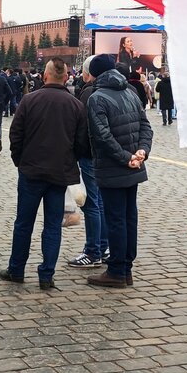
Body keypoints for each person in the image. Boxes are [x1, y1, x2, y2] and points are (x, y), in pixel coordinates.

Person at [0, 57, 89, 290]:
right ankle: (46, 274)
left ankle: (16, 269)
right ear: (66, 77)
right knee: (52, 225)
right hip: (59, 174)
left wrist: (19, 161)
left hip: (31, 171)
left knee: (23, 223)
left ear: (46, 76)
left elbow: (15, 136)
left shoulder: (29, 101)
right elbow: (82, 144)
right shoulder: (76, 105)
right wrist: (70, 161)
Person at [85, 53, 153, 289]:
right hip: (132, 166)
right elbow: (146, 126)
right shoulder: (131, 92)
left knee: (115, 220)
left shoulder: (97, 98)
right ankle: (126, 269)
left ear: (94, 74)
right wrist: (142, 151)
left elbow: (102, 136)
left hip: (113, 168)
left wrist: (126, 159)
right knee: (128, 217)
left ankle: (116, 270)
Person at [68, 56, 110, 269]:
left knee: (92, 204)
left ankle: (93, 251)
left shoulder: (89, 92)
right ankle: (104, 246)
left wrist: (75, 152)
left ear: (88, 73)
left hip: (90, 156)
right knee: (103, 202)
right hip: (111, 158)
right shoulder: (122, 90)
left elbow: (82, 127)